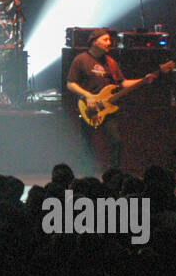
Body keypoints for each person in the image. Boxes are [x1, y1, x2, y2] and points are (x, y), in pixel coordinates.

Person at [65, 28, 157, 170]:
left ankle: (113, 173)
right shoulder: (81, 59)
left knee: (116, 141)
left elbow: (122, 83)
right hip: (89, 108)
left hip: (108, 108)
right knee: (86, 144)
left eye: (109, 40)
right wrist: (87, 95)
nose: (109, 42)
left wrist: (143, 80)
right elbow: (70, 84)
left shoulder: (111, 62)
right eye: (105, 39)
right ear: (95, 42)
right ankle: (83, 175)